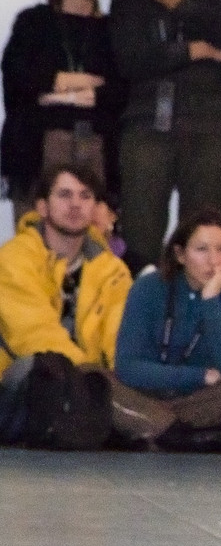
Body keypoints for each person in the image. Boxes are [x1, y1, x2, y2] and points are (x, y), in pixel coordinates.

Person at [108, 0, 221, 271]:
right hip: (145, 127)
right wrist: (197, 50)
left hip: (210, 125)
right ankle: (140, 305)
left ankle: (200, 306)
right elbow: (130, 62)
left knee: (204, 238)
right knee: (139, 237)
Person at [111, 208, 221, 445]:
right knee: (94, 379)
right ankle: (182, 434)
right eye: (202, 249)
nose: (214, 260)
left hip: (201, 399)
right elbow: (127, 367)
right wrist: (198, 375)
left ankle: (157, 428)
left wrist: (210, 299)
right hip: (146, 392)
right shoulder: (148, 287)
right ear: (180, 255)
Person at [2, 0, 125, 222]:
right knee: (34, 235)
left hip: (96, 146)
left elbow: (121, 88)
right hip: (36, 147)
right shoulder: (34, 21)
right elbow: (17, 74)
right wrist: (78, 83)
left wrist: (55, 91)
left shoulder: (111, 29)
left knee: (92, 236)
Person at [0, 164, 131, 428]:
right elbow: (35, 335)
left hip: (91, 385)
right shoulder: (13, 258)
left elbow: (121, 338)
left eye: (85, 196)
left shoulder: (113, 270)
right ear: (42, 207)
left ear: (95, 208)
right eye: (64, 195)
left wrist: (126, 377)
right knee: (43, 367)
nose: (75, 204)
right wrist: (93, 376)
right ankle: (158, 429)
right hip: (21, 381)